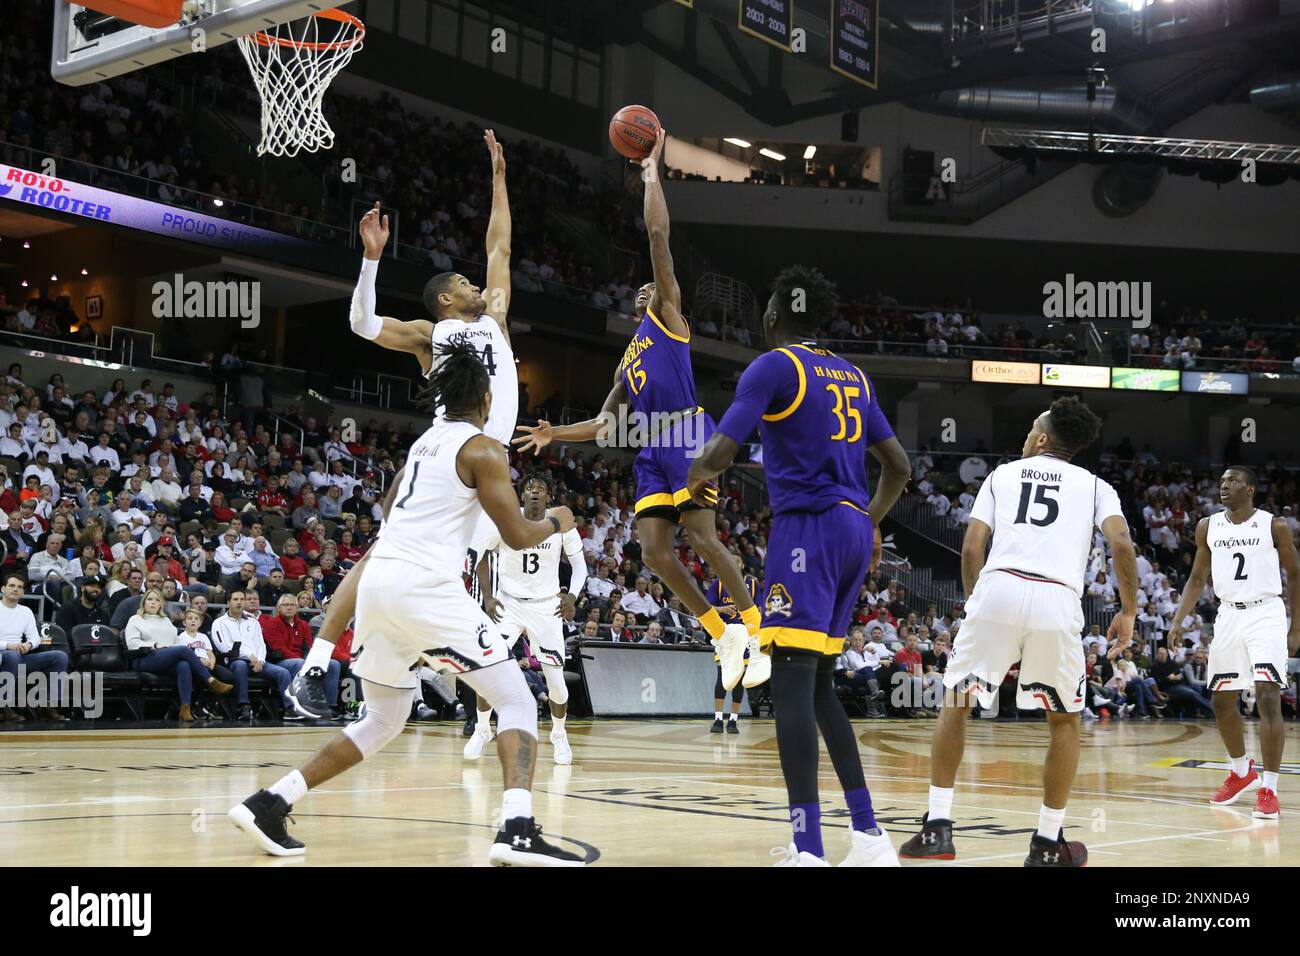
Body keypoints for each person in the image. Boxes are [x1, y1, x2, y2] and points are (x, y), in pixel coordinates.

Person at [229, 344, 586, 865]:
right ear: (487, 399)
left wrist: (323, 649)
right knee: (516, 701)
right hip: (426, 589)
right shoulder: (485, 449)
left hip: (380, 585)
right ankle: (517, 829)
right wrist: (559, 520)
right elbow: (516, 536)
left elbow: (385, 528)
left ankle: (271, 801)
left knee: (383, 719)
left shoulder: (422, 447)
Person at [514, 129, 765, 691]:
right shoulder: (627, 362)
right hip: (652, 449)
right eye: (641, 292)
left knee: (701, 538)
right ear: (634, 307)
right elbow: (606, 425)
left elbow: (657, 235)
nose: (646, 291)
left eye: (655, 286)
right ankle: (719, 632)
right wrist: (558, 432)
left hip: (690, 437)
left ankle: (755, 626)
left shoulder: (670, 322)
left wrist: (651, 174)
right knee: (653, 553)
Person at [685, 264, 911, 867]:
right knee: (817, 689)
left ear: (774, 315)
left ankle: (808, 849)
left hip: (807, 528)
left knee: (788, 677)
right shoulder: (855, 375)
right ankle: (867, 835)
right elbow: (899, 466)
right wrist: (869, 520)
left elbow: (720, 452)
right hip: (852, 530)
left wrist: (694, 475)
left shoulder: (774, 367)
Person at [899, 396, 1138, 867]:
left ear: (1044, 438)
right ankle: (1048, 843)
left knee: (957, 701)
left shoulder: (1002, 474)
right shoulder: (1095, 486)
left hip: (999, 587)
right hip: (1056, 598)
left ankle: (937, 830)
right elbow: (1122, 543)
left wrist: (975, 601)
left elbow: (972, 547)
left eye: (1032, 429)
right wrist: (1128, 610)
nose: (1026, 436)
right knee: (1064, 720)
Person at [345, 129, 517, 609]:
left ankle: (432, 662)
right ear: (446, 299)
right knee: (404, 554)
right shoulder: (429, 334)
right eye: (464, 283)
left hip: (493, 457)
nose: (474, 284)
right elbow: (363, 324)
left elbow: (499, 247)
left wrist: (499, 180)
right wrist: (371, 259)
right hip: (451, 449)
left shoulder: (495, 317)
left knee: (477, 590)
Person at [1166, 466, 1300, 819]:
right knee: (1222, 700)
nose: (1224, 486)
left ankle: (1269, 787)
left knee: (1267, 694)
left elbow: (1295, 573)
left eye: (1233, 481)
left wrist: (1296, 627)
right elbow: (1197, 577)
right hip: (1228, 614)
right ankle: (1242, 772)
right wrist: (1178, 619)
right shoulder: (1208, 526)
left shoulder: (1275, 525)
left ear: (1251, 489)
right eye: (1222, 481)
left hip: (1266, 611)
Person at [467, 473, 585, 766]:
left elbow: (580, 567)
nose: (534, 492)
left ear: (548, 496)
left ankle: (559, 733)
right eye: (529, 488)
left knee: (556, 682)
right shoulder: (506, 519)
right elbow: (480, 554)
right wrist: (488, 596)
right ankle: (482, 728)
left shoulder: (560, 524)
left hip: (546, 608)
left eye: (540, 489)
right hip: (508, 604)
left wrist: (572, 596)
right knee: (486, 666)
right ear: (522, 495)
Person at [124, 587, 232, 722]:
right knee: (183, 650)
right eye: (150, 599)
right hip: (144, 658)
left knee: (184, 665)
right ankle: (211, 681)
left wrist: (170, 649)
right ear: (144, 602)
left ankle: (185, 708)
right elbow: (132, 644)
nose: (153, 602)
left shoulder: (166, 620)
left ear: (161, 604)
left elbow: (175, 641)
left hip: (165, 658)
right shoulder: (135, 619)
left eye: (157, 600)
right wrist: (155, 646)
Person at [211, 589, 292, 720]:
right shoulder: (219, 622)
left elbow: (261, 645)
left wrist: (260, 661)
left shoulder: (253, 622)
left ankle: (290, 709)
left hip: (257, 662)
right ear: (228, 602)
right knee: (240, 665)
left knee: (283, 672)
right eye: (235, 600)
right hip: (234, 660)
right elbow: (225, 647)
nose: (239, 602)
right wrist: (250, 657)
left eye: (242, 599)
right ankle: (243, 705)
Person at [0, 573, 70, 721]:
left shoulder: (26, 611)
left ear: (23, 592)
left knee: (60, 656)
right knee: (12, 655)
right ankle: (2, 706)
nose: (15, 589)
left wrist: (29, 644)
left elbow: (35, 638)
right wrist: (8, 645)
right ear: (3, 589)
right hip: (4, 654)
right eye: (12, 585)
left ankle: (47, 705)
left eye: (19, 587)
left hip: (18, 656)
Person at [706, 553, 758, 734]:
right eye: (731, 561)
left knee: (739, 680)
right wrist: (722, 609)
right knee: (722, 677)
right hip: (726, 636)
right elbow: (705, 606)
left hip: (746, 636)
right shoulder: (718, 584)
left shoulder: (752, 583)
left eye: (737, 561)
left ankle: (733, 721)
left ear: (742, 564)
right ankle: (718, 719)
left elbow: (759, 608)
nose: (734, 564)